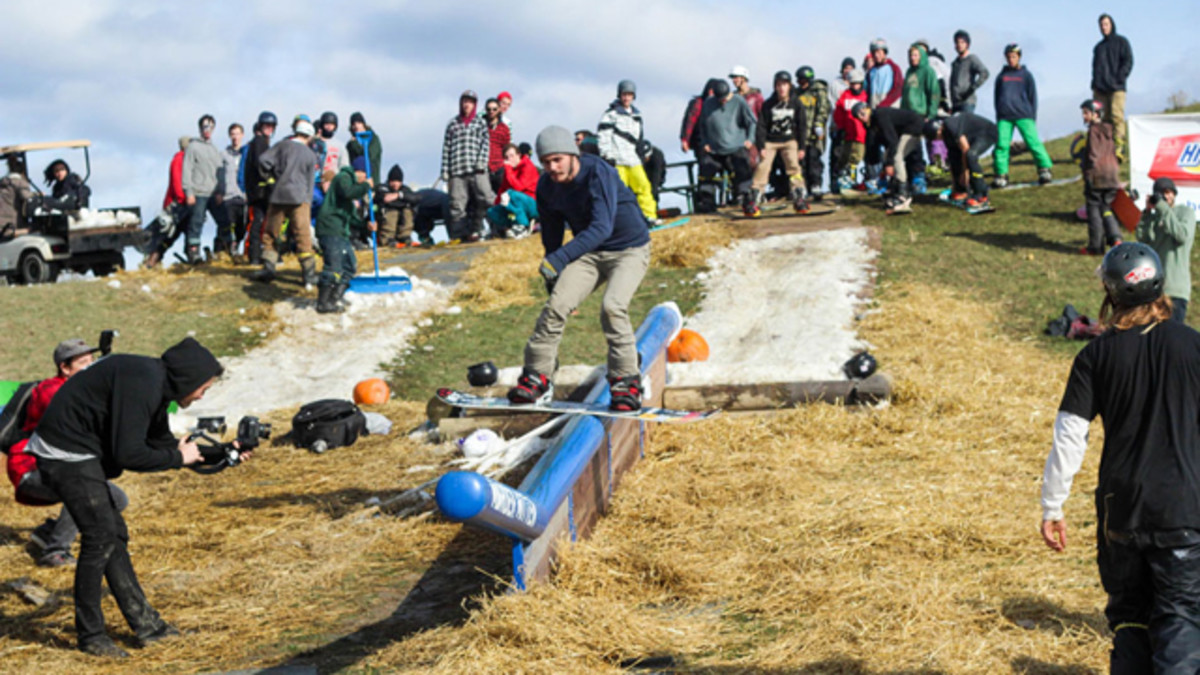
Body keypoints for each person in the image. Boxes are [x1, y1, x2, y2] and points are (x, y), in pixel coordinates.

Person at [1039, 242, 1200, 674]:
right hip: (1183, 508)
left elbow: (1069, 436)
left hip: (1121, 511)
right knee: (1179, 621)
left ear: (1111, 294)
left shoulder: (1095, 356)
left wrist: (1052, 505)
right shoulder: (1192, 346)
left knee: (1130, 620)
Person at [28, 337, 226, 658]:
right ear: (188, 378)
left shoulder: (156, 382)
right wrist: (179, 458)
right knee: (100, 537)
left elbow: (163, 444)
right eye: (203, 388)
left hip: (80, 454)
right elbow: (130, 453)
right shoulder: (143, 382)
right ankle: (91, 637)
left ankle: (148, 627)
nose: (202, 395)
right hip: (64, 453)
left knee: (112, 535)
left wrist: (223, 453)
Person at [507, 126, 650, 411]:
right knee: (556, 306)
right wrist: (554, 271)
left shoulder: (598, 173)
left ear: (573, 155)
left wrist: (561, 258)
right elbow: (552, 230)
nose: (552, 167)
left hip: (629, 249)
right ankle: (538, 375)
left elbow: (601, 226)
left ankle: (625, 380)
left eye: (558, 159)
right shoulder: (547, 185)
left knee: (613, 307)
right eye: (546, 162)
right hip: (589, 253)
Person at [6, 340, 129, 568]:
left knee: (117, 498)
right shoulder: (50, 391)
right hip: (29, 467)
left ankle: (49, 533)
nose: (91, 368)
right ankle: (56, 551)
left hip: (57, 468)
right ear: (65, 367)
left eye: (92, 362)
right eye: (84, 363)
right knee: (82, 491)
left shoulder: (79, 389)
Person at [255, 118, 319, 286]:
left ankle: (268, 269)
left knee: (271, 233)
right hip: (300, 199)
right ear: (309, 136)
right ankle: (309, 275)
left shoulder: (282, 145)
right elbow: (310, 182)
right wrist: (308, 201)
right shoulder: (310, 155)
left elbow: (263, 161)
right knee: (303, 236)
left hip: (279, 195)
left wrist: (270, 178)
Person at [314, 156, 372, 313]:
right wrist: (366, 186)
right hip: (330, 228)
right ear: (359, 172)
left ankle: (336, 298)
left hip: (341, 231)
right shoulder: (343, 177)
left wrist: (367, 226)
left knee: (349, 265)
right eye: (365, 176)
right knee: (333, 266)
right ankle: (323, 303)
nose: (365, 179)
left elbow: (353, 217)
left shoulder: (350, 185)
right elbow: (348, 193)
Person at [993, 44, 1053, 188]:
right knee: (1001, 145)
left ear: (1019, 57)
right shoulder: (1002, 76)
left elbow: (1033, 96)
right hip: (1005, 117)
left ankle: (1044, 169)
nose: (1011, 59)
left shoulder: (1026, 75)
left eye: (1014, 56)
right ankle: (1001, 174)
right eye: (1008, 57)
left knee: (1033, 142)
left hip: (1024, 115)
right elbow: (997, 97)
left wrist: (1032, 115)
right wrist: (999, 114)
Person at [748, 70, 808, 216]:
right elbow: (761, 126)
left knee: (793, 165)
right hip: (771, 140)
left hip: (789, 140)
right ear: (775, 86)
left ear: (789, 86)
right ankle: (754, 197)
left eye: (785, 85)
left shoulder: (796, 103)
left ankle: (799, 195)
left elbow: (802, 125)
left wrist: (802, 147)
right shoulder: (769, 104)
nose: (782, 88)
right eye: (779, 85)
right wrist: (761, 146)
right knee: (763, 166)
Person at [1137, 177, 1196, 321]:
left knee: (1171, 338)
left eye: (1169, 192)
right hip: (1154, 291)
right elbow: (1143, 241)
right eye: (1162, 193)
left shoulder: (1185, 212)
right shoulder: (1155, 217)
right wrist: (1147, 214)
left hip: (1175, 289)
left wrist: (1163, 208)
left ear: (1175, 194)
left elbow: (1181, 235)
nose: (1166, 196)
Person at [598, 80, 657, 221]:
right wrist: (606, 154)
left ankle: (649, 216)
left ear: (633, 96)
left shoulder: (637, 115)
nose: (626, 98)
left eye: (629, 95)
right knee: (619, 192)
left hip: (632, 158)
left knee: (643, 186)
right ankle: (622, 221)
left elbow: (639, 137)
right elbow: (603, 136)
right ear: (619, 95)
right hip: (617, 159)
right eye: (624, 94)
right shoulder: (610, 115)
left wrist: (643, 152)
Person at [441, 90, 494, 242]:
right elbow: (446, 148)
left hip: (477, 169)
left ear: (475, 105)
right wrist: (445, 170)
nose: (467, 105)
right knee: (457, 203)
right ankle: (459, 235)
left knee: (486, 198)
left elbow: (485, 144)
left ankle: (495, 227)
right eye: (464, 101)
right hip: (457, 169)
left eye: (470, 102)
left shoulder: (480, 122)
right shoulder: (452, 124)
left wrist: (482, 162)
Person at [697, 80, 756, 215]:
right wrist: (704, 142)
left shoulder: (738, 101)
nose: (722, 101)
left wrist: (750, 139)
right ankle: (707, 202)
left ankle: (746, 199)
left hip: (735, 146)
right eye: (720, 99)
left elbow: (751, 122)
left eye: (724, 98)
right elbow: (702, 125)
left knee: (742, 169)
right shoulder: (708, 103)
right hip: (714, 149)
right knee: (706, 170)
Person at [854, 103, 925, 214]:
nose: (862, 118)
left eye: (862, 113)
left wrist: (889, 164)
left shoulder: (879, 116)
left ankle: (903, 195)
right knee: (889, 156)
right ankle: (894, 189)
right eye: (858, 117)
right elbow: (881, 144)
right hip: (903, 132)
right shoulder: (872, 124)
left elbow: (892, 141)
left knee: (897, 157)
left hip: (914, 128)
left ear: (867, 109)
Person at [181, 114, 229, 264]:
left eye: (210, 127)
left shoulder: (215, 150)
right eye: (205, 126)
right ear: (200, 128)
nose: (207, 130)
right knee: (196, 223)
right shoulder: (193, 147)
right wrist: (189, 192)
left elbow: (220, 173)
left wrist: (220, 191)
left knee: (225, 221)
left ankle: (226, 251)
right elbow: (187, 170)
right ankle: (194, 252)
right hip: (198, 192)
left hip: (214, 193)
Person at [924, 113, 997, 209]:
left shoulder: (951, 126)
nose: (938, 140)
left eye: (936, 138)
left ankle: (981, 194)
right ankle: (961, 190)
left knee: (971, 156)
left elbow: (965, 149)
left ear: (938, 131)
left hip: (987, 132)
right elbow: (953, 157)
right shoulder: (945, 133)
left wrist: (965, 173)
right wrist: (954, 185)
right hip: (973, 135)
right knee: (953, 155)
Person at [1079, 99, 1123, 255]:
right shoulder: (1109, 129)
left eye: (1086, 113)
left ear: (1095, 114)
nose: (1084, 116)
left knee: (1094, 211)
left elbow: (1094, 155)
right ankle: (1115, 238)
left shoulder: (1093, 131)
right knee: (1106, 208)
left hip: (1097, 175)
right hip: (1112, 175)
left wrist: (1087, 171)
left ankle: (1095, 246)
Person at [1092, 13, 1134, 162]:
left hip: (1117, 87)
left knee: (1117, 116)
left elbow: (1128, 61)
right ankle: (1105, 148)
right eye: (1101, 25)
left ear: (1112, 24)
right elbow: (1095, 67)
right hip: (1100, 89)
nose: (1104, 28)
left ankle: (1119, 147)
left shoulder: (1122, 42)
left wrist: (1120, 78)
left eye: (1106, 24)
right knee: (1102, 119)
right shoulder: (1098, 48)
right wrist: (1095, 84)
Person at [243, 111, 277, 266]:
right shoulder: (259, 142)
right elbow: (260, 164)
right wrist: (271, 179)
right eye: (266, 125)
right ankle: (255, 256)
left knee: (262, 223)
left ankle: (260, 255)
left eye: (272, 126)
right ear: (260, 126)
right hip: (259, 192)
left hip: (261, 191)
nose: (269, 128)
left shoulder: (263, 142)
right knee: (259, 223)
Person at [487, 143, 540, 238]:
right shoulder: (510, 171)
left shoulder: (527, 166)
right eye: (506, 157)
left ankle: (523, 226)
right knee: (492, 211)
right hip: (516, 206)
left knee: (511, 194)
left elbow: (518, 188)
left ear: (518, 155)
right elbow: (502, 190)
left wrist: (507, 169)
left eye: (511, 156)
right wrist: (498, 207)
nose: (509, 159)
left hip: (533, 204)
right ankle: (507, 228)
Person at [795, 66, 831, 200]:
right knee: (801, 162)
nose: (801, 84)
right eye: (799, 81)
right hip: (801, 134)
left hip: (815, 133)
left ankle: (816, 185)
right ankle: (803, 188)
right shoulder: (797, 94)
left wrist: (819, 123)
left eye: (804, 81)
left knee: (814, 160)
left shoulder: (818, 91)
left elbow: (824, 108)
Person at [215, 123, 247, 260]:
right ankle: (220, 252)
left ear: (242, 135)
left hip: (242, 196)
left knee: (241, 227)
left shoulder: (246, 154)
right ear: (229, 136)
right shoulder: (223, 155)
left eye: (238, 134)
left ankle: (234, 249)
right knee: (226, 226)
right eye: (233, 134)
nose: (235, 137)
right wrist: (219, 192)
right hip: (227, 196)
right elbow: (217, 175)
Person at [833, 69, 869, 190]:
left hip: (861, 134)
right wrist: (841, 127)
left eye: (857, 83)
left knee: (856, 158)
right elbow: (838, 112)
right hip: (848, 134)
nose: (855, 86)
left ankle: (853, 180)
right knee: (844, 158)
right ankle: (841, 180)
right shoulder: (845, 95)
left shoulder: (865, 96)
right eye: (852, 83)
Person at [376, 164, 418, 248]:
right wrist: (404, 201)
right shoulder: (382, 188)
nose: (395, 184)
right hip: (382, 220)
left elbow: (416, 198)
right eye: (393, 181)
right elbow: (384, 200)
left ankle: (404, 236)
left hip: (400, 221)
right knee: (393, 210)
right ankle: (387, 239)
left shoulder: (404, 189)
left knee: (407, 210)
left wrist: (398, 196)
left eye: (398, 181)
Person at [949, 30, 989, 114]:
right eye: (957, 42)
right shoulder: (955, 63)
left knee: (966, 126)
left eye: (962, 42)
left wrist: (971, 88)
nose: (959, 45)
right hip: (955, 103)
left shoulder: (972, 59)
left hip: (967, 102)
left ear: (967, 44)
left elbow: (985, 73)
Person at [345, 112, 382, 188]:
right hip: (356, 183)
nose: (356, 126)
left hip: (372, 181)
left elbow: (369, 156)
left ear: (363, 124)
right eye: (353, 124)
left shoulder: (373, 139)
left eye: (359, 123)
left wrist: (355, 145)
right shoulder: (350, 144)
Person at [866, 38, 904, 110]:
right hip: (874, 110)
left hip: (890, 110)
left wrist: (884, 105)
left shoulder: (894, 68)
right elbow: (867, 92)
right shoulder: (871, 72)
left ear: (884, 52)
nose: (876, 55)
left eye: (879, 52)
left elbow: (898, 90)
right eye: (874, 53)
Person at [484, 98, 512, 191]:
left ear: (499, 110)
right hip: (484, 168)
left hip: (500, 168)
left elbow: (507, 147)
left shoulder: (504, 128)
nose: (491, 111)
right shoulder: (480, 126)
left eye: (494, 109)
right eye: (489, 109)